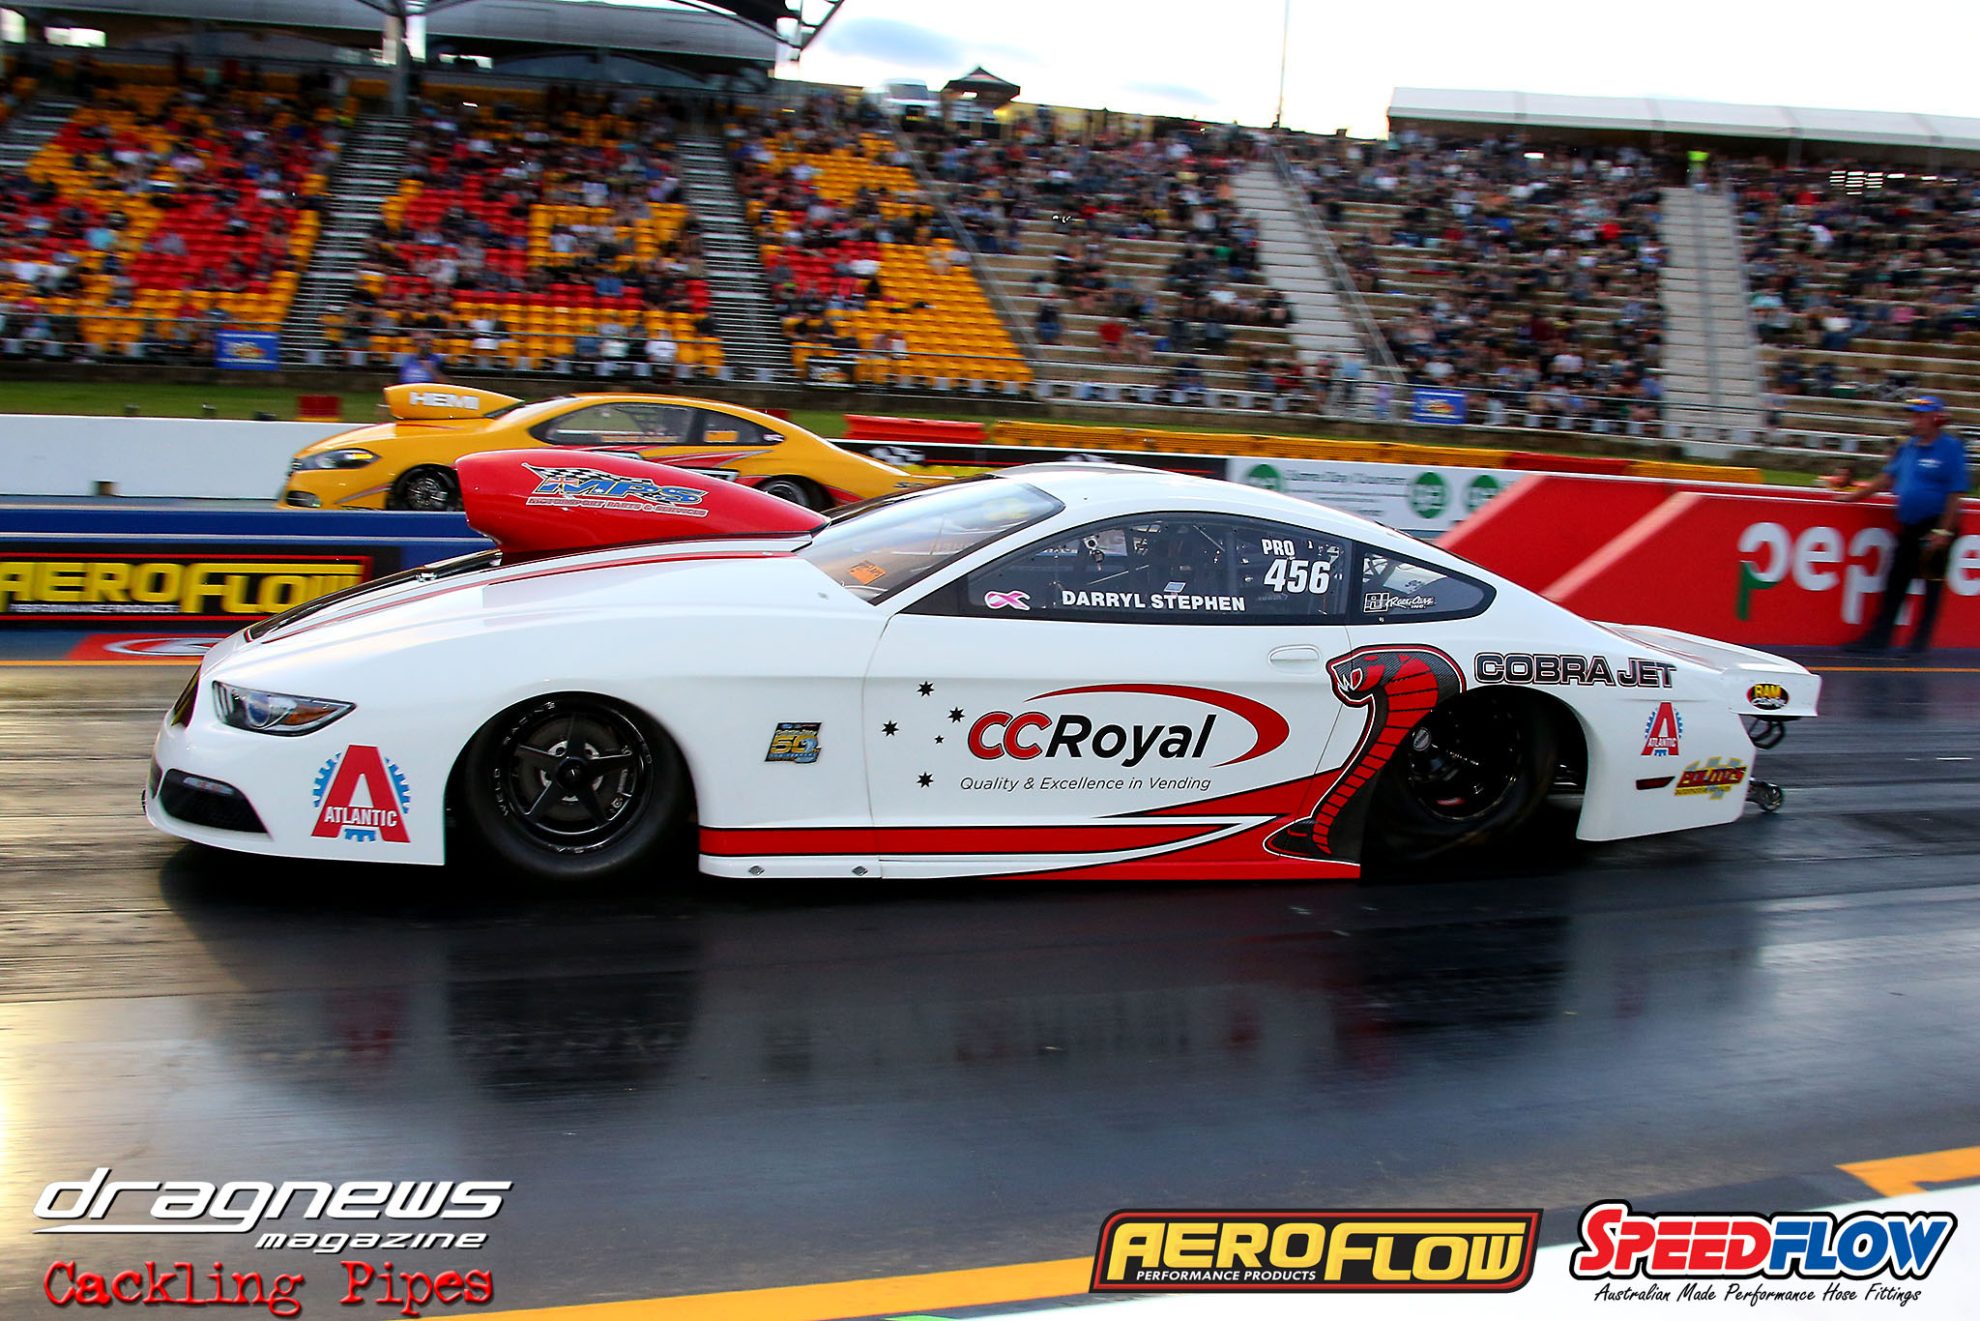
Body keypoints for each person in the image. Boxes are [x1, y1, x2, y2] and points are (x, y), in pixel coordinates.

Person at [1841, 397, 1969, 653]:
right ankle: (1878, 639)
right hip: (1910, 524)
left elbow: (1955, 492)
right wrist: (1853, 496)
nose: (1916, 421)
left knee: (1930, 587)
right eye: (1914, 416)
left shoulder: (1950, 448)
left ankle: (1919, 643)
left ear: (1937, 419)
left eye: (1922, 416)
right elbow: (1887, 477)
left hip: (1936, 525)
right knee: (1895, 581)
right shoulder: (1909, 447)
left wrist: (1943, 530)